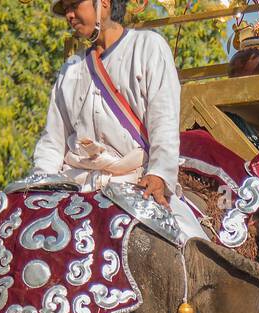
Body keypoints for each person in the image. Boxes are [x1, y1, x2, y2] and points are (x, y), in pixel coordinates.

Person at [32, 0, 206, 241]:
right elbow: (52, 141)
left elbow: (164, 121)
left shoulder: (148, 47)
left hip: (134, 184)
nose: (69, 16)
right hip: (76, 190)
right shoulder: (70, 69)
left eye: (74, 5)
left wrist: (159, 175)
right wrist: (40, 187)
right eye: (65, 11)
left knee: (188, 246)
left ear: (103, 2)